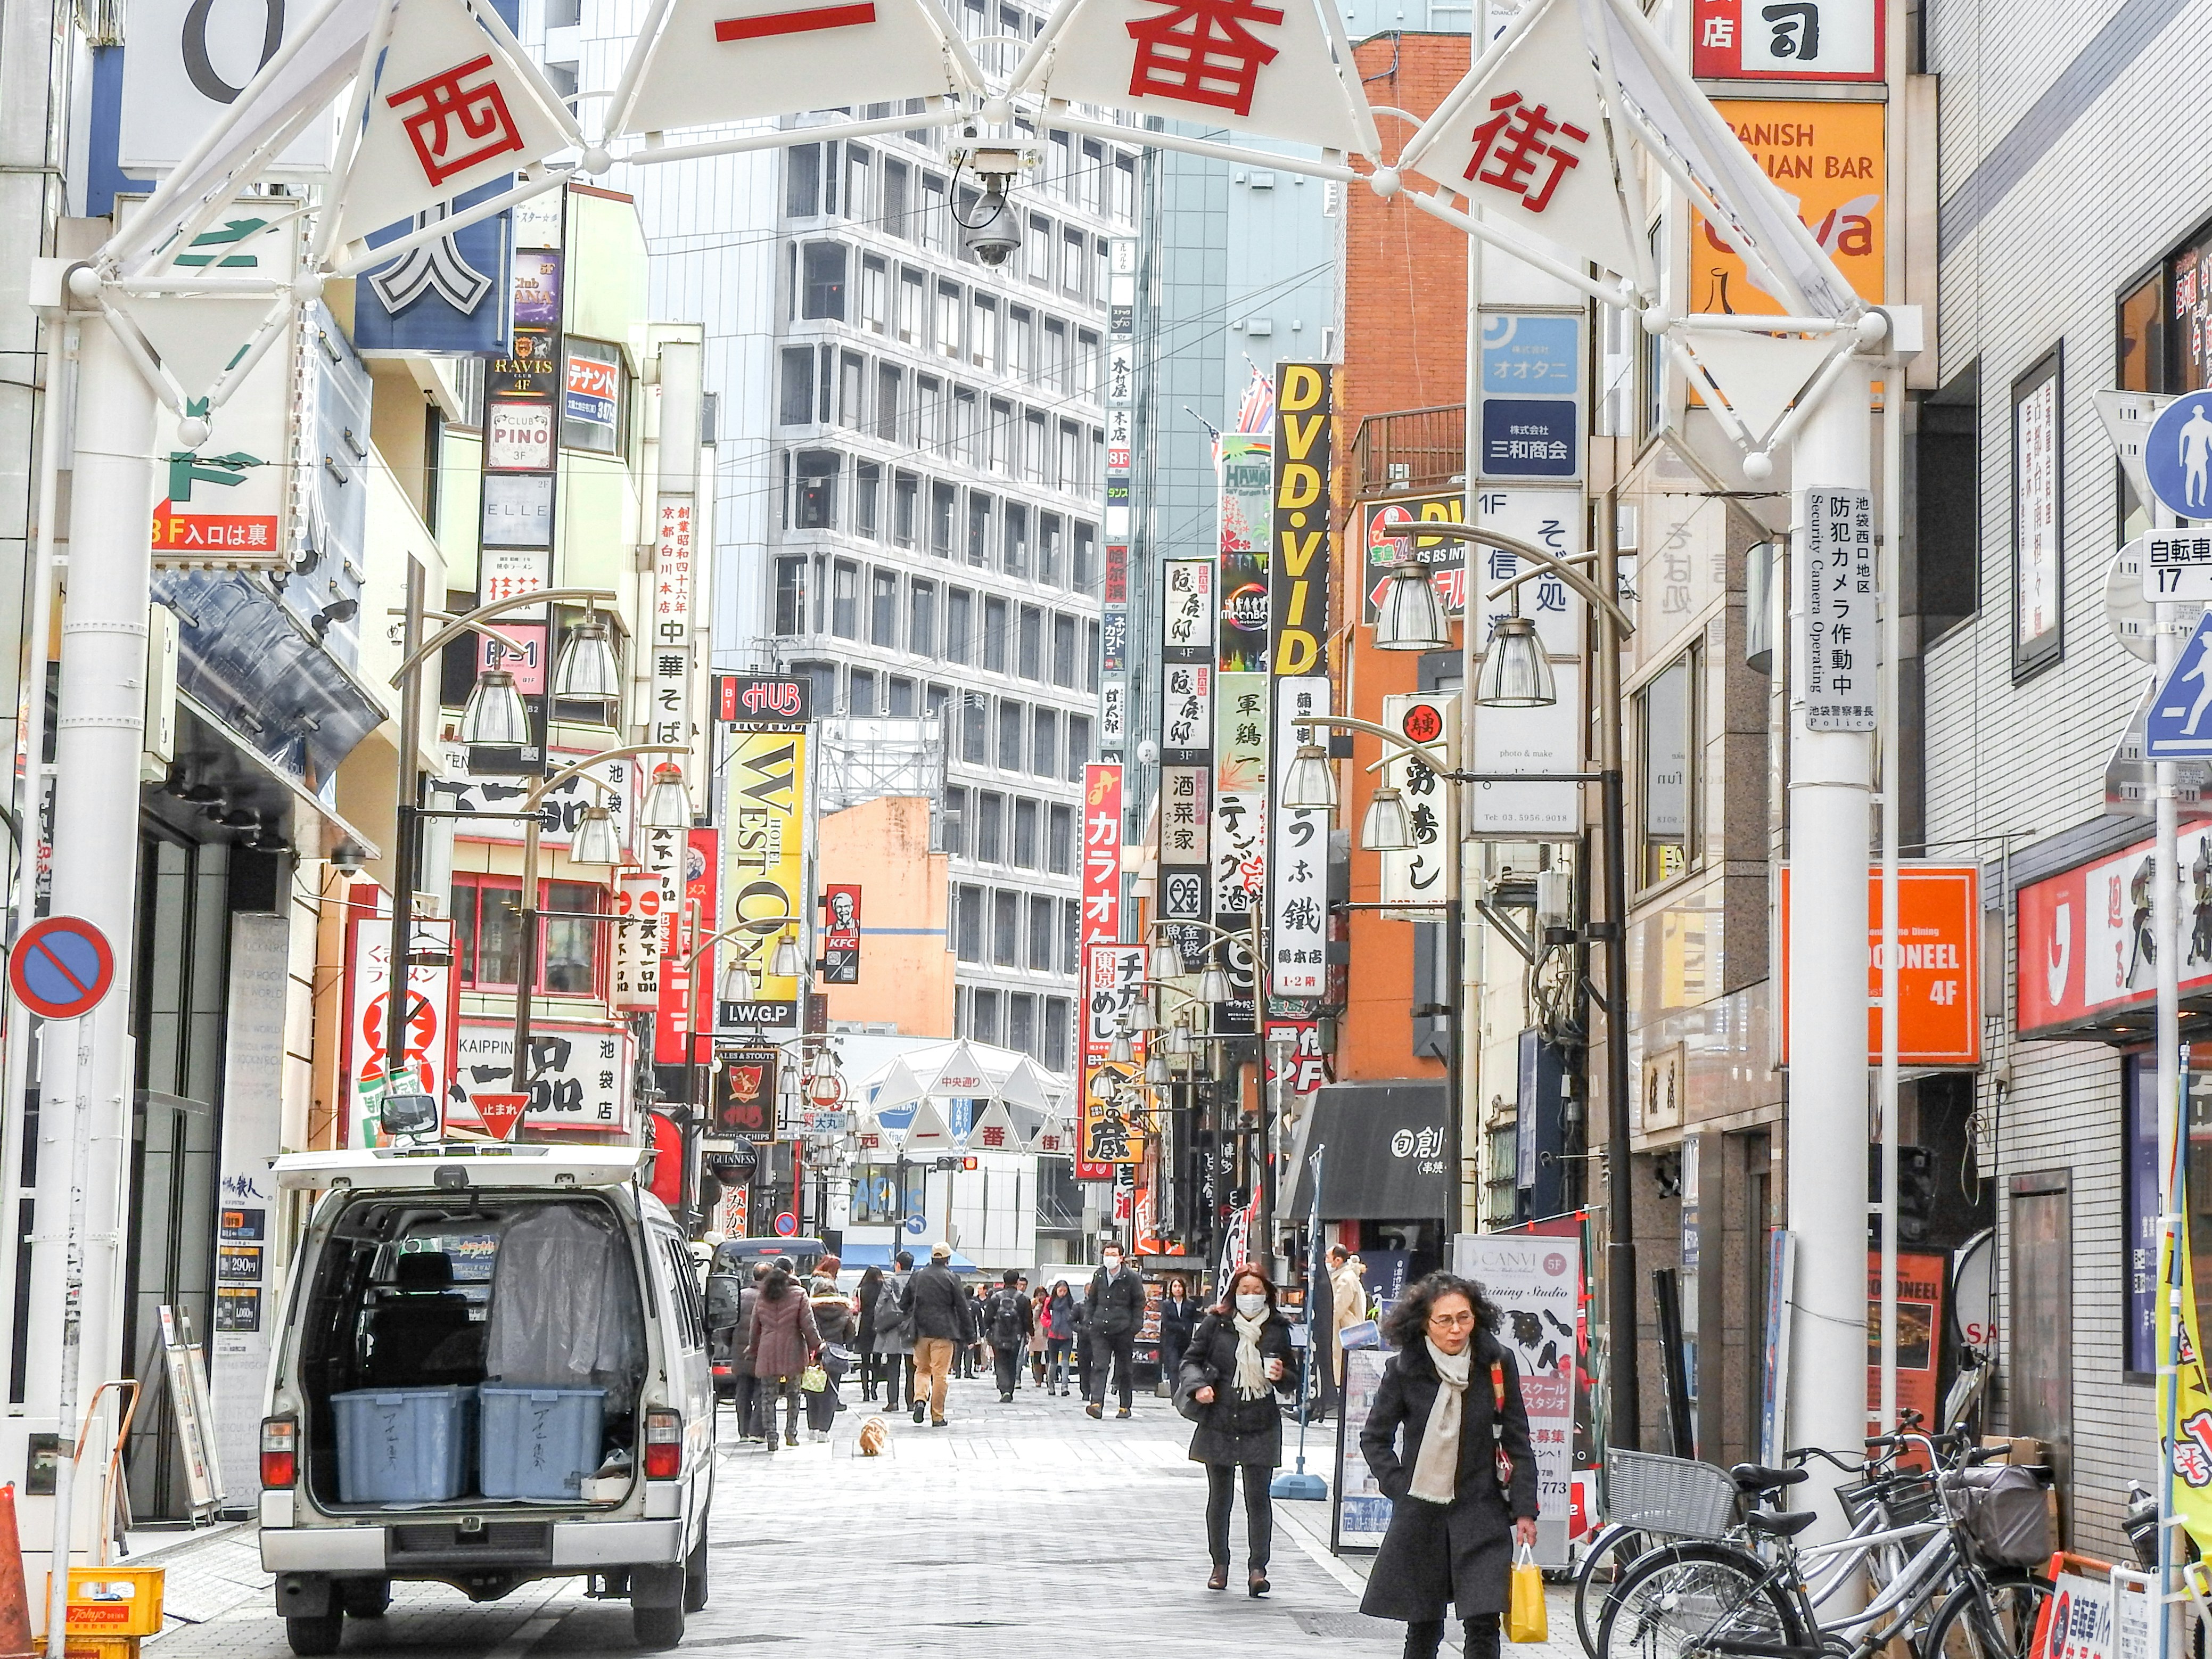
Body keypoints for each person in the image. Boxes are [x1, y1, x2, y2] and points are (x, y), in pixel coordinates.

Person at [1359, 1272, 1539, 1659]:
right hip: (1422, 1514)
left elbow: (1516, 1439)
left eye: (1465, 1318)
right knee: (1423, 1628)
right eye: (1444, 1320)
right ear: (1424, 1322)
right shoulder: (1404, 1369)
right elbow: (1374, 1438)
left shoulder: (1496, 1364)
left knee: (1483, 1626)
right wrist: (1400, 1488)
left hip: (1481, 1509)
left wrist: (1525, 1510)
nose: (1456, 1330)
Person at [1178, 1265, 1297, 1596]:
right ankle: (1220, 1564)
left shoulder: (1277, 1328)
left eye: (1256, 1290)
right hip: (1220, 1418)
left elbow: (1293, 1377)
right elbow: (1190, 1360)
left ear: (1267, 1293)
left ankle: (1258, 1569)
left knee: (1258, 1498)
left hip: (1260, 1421)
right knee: (1221, 1498)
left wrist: (1281, 1374)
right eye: (1243, 1290)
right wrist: (1199, 1386)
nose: (1250, 1296)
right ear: (1233, 1293)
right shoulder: (1217, 1323)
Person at [746, 1264, 823, 1452]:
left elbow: (755, 1327)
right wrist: (817, 1346)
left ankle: (772, 1437)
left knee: (768, 1397)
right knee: (794, 1395)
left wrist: (753, 1348)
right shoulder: (799, 1294)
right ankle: (791, 1434)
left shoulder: (762, 1297)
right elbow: (808, 1325)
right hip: (793, 1350)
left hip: (768, 1350)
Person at [900, 1242, 974, 1426]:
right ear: (948, 1259)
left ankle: (919, 1399)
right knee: (940, 1375)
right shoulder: (952, 1278)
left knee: (922, 1370)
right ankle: (937, 1416)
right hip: (944, 1332)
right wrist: (969, 1335)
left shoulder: (918, 1276)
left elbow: (904, 1303)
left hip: (921, 1332)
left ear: (932, 1257)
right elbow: (962, 1308)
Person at [1084, 1244, 1145, 1419]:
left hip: (1123, 1329)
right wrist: (1089, 1321)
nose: (1109, 1257)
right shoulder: (1099, 1274)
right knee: (1100, 1366)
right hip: (1100, 1327)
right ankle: (1096, 1403)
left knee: (1124, 1369)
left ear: (1121, 1257)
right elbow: (1092, 1300)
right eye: (1106, 1254)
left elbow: (1139, 1303)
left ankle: (1125, 1405)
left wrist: (1135, 1326)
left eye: (1113, 1254)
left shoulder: (1132, 1277)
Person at [805, 1258, 855, 1440]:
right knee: (831, 1392)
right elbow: (850, 1335)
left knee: (812, 1390)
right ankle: (824, 1431)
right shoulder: (843, 1310)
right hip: (835, 1353)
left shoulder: (810, 1309)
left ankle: (812, 1428)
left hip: (814, 1354)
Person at [724, 1261, 769, 1442]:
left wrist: (732, 1345)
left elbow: (728, 1327)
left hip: (741, 1353)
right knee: (761, 1393)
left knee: (742, 1393)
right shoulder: (770, 1298)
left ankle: (743, 1431)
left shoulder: (740, 1296)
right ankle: (757, 1432)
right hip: (762, 1354)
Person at [1326, 1245, 1369, 1422]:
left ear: (1338, 1260)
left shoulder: (1345, 1280)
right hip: (1346, 1331)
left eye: (1328, 1258)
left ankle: (1339, 1404)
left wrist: (1323, 1323)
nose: (1326, 1261)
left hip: (1344, 1333)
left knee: (1342, 1369)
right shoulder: (1348, 1277)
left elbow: (1336, 1309)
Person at [871, 1250, 918, 1412]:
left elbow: (880, 1303)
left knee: (893, 1366)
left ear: (898, 1265)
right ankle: (911, 1403)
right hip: (911, 1326)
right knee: (912, 1368)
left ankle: (893, 1402)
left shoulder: (890, 1281)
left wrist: (879, 1321)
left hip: (893, 1328)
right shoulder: (917, 1280)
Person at [983, 1269, 1034, 1402]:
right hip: (1016, 1336)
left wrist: (989, 1330)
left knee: (1000, 1362)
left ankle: (1003, 1389)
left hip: (998, 1335)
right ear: (1017, 1281)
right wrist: (1030, 1332)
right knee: (1012, 1362)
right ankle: (1010, 1390)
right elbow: (1028, 1319)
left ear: (1004, 1281)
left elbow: (988, 1319)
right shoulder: (1023, 1299)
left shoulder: (995, 1298)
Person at [1156, 1275, 1196, 1398]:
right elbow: (1166, 1322)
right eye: (1175, 1286)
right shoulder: (1166, 1304)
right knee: (1173, 1367)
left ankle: (1184, 1393)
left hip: (1185, 1340)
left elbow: (1192, 1320)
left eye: (1180, 1286)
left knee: (1185, 1366)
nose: (1177, 1289)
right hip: (1171, 1340)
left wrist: (1186, 1329)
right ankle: (1174, 1395)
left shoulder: (1190, 1304)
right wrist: (1181, 1326)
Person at [855, 1264, 887, 1403]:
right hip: (879, 1324)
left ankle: (865, 1392)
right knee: (877, 1359)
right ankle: (874, 1387)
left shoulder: (861, 1290)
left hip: (865, 1324)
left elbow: (857, 1308)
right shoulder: (883, 1289)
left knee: (865, 1361)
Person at [1044, 1280, 1078, 1395]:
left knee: (1065, 1362)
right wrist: (1051, 1324)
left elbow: (1074, 1316)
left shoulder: (1070, 1302)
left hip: (1067, 1335)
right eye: (1060, 1291)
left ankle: (1065, 1387)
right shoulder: (1050, 1302)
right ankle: (1051, 1385)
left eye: (1065, 1291)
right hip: (1053, 1335)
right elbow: (1044, 1317)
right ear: (1056, 1291)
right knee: (1053, 1362)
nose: (1062, 1293)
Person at [1027, 1282, 1050, 1387]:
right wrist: (1038, 1307)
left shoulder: (1050, 1304)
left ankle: (1049, 1377)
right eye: (1039, 1295)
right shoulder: (1033, 1305)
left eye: (1043, 1294)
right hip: (1036, 1333)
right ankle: (1038, 1379)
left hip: (1047, 1332)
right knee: (1036, 1357)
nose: (1041, 1297)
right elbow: (1033, 1318)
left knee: (1048, 1356)